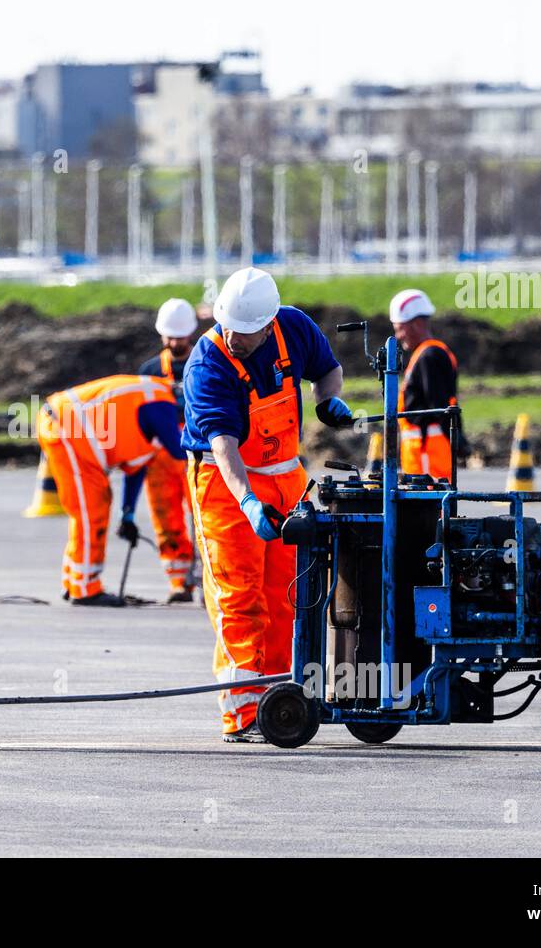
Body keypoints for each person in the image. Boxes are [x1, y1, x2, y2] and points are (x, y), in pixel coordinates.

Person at [182, 267, 353, 742]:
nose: (234, 337)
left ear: (269, 323)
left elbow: (328, 371)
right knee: (239, 597)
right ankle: (241, 711)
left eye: (245, 331)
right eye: (228, 327)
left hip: (286, 477)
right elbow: (223, 447)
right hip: (225, 483)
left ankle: (278, 702)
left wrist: (327, 401)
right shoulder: (208, 364)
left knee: (287, 595)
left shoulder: (294, 328)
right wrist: (249, 503)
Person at [37, 374, 186, 607]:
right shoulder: (161, 403)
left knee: (89, 509)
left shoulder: (154, 403)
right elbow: (180, 451)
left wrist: (127, 514)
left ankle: (74, 580)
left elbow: (135, 469)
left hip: (66, 425)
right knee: (90, 511)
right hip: (68, 426)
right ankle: (85, 588)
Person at [136, 298, 197, 602]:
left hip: (197, 453)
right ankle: (177, 579)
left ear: (191, 333)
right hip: (159, 457)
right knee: (166, 517)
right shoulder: (149, 371)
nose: (175, 342)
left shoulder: (203, 363)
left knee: (202, 516)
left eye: (180, 336)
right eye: (170, 336)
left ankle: (204, 576)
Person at [390, 289, 461, 482]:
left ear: (417, 324)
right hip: (424, 454)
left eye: (399, 328)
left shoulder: (430, 356)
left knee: (432, 509)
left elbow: (439, 407)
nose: (398, 336)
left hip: (429, 456)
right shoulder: (425, 354)